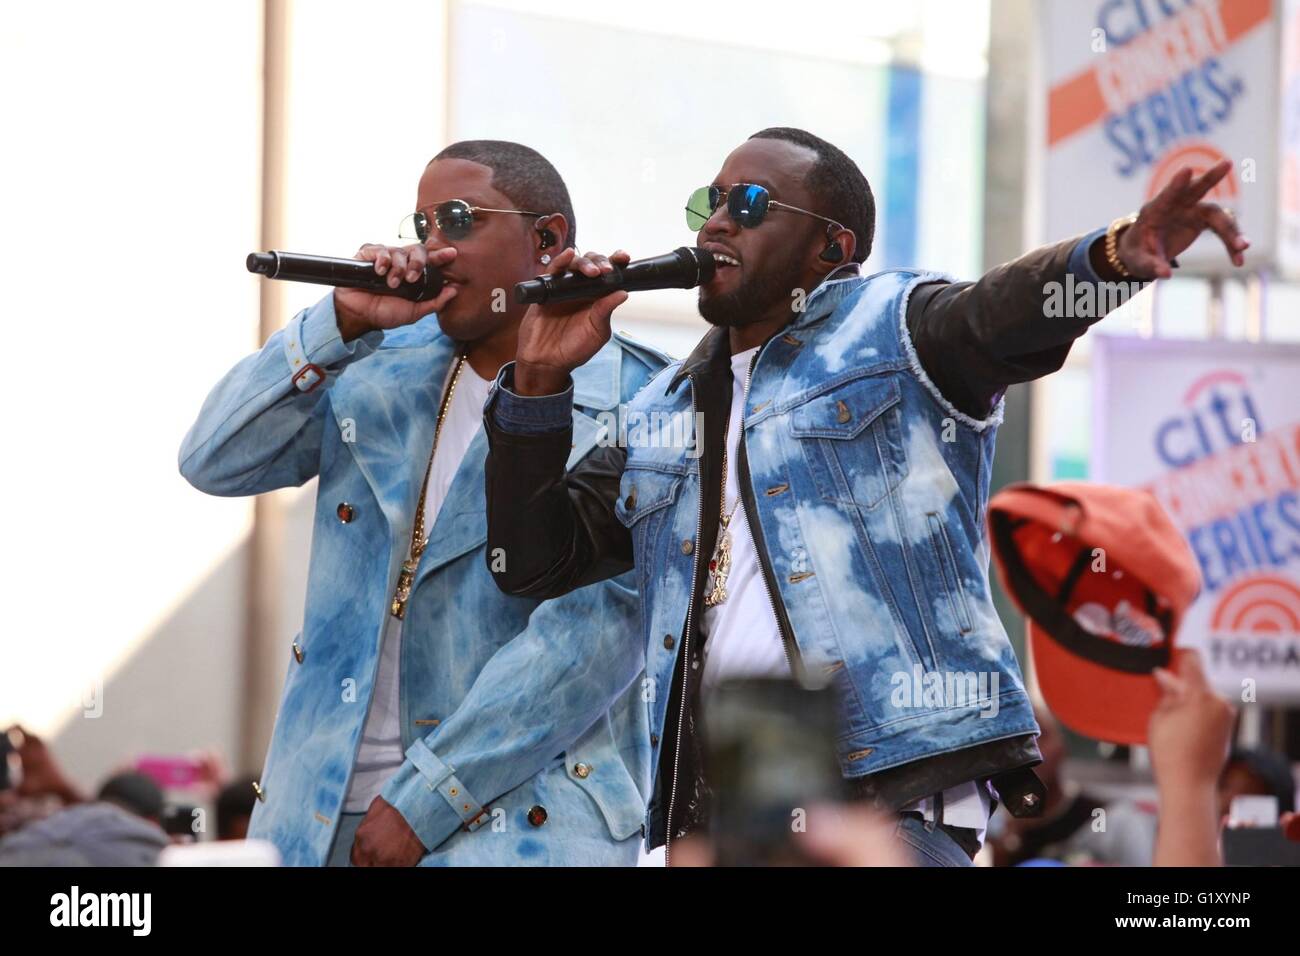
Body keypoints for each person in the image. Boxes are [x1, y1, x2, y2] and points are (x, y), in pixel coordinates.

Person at [482, 127, 1249, 865]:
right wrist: (539, 381)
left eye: (747, 202)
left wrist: (1113, 260)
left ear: (831, 246)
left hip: (887, 799)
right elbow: (529, 561)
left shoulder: (896, 331)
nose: (716, 221)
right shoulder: (664, 408)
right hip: (722, 821)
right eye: (707, 203)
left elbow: (1004, 315)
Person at [181, 141, 668, 866]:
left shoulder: (642, 396)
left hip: (517, 820)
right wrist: (339, 324)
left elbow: (589, 641)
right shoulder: (376, 364)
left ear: (547, 239)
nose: (434, 247)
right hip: (314, 809)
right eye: (423, 225)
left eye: (460, 219)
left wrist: (428, 797)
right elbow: (212, 460)